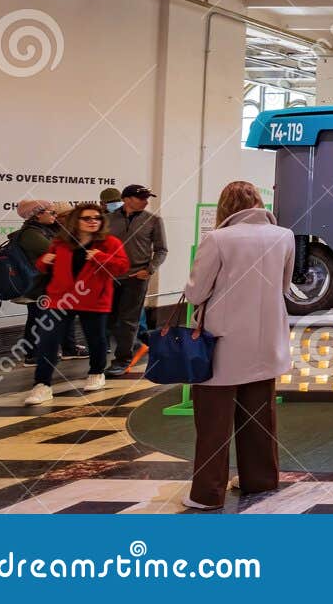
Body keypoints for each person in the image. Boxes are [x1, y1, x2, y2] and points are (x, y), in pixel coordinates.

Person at [179, 180, 295, 511]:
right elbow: (285, 286)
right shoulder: (284, 236)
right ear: (259, 202)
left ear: (225, 207)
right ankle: (259, 479)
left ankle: (206, 494)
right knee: (260, 415)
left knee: (214, 421)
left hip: (222, 343)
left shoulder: (217, 239)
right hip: (268, 339)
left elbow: (196, 292)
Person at [23, 202, 129, 405]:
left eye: (96, 218)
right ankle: (42, 385)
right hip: (60, 299)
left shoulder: (110, 243)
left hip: (94, 299)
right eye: (87, 218)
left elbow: (122, 267)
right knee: (49, 341)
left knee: (96, 339)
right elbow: (43, 267)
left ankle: (97, 372)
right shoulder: (61, 242)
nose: (92, 222)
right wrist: (46, 260)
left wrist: (101, 258)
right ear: (75, 221)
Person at [106, 185, 167, 377]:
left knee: (128, 320)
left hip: (136, 278)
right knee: (110, 320)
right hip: (110, 277)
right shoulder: (107, 220)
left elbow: (161, 249)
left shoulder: (154, 220)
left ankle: (122, 359)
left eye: (147, 197)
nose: (146, 201)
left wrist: (149, 270)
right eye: (141, 197)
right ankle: (136, 344)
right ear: (126, 199)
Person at [7, 200, 60, 360]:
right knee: (38, 318)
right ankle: (33, 354)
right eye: (51, 212)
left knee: (39, 317)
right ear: (38, 215)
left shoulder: (42, 230)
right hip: (37, 284)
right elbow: (56, 252)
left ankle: (36, 352)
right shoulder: (31, 234)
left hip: (42, 283)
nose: (55, 215)